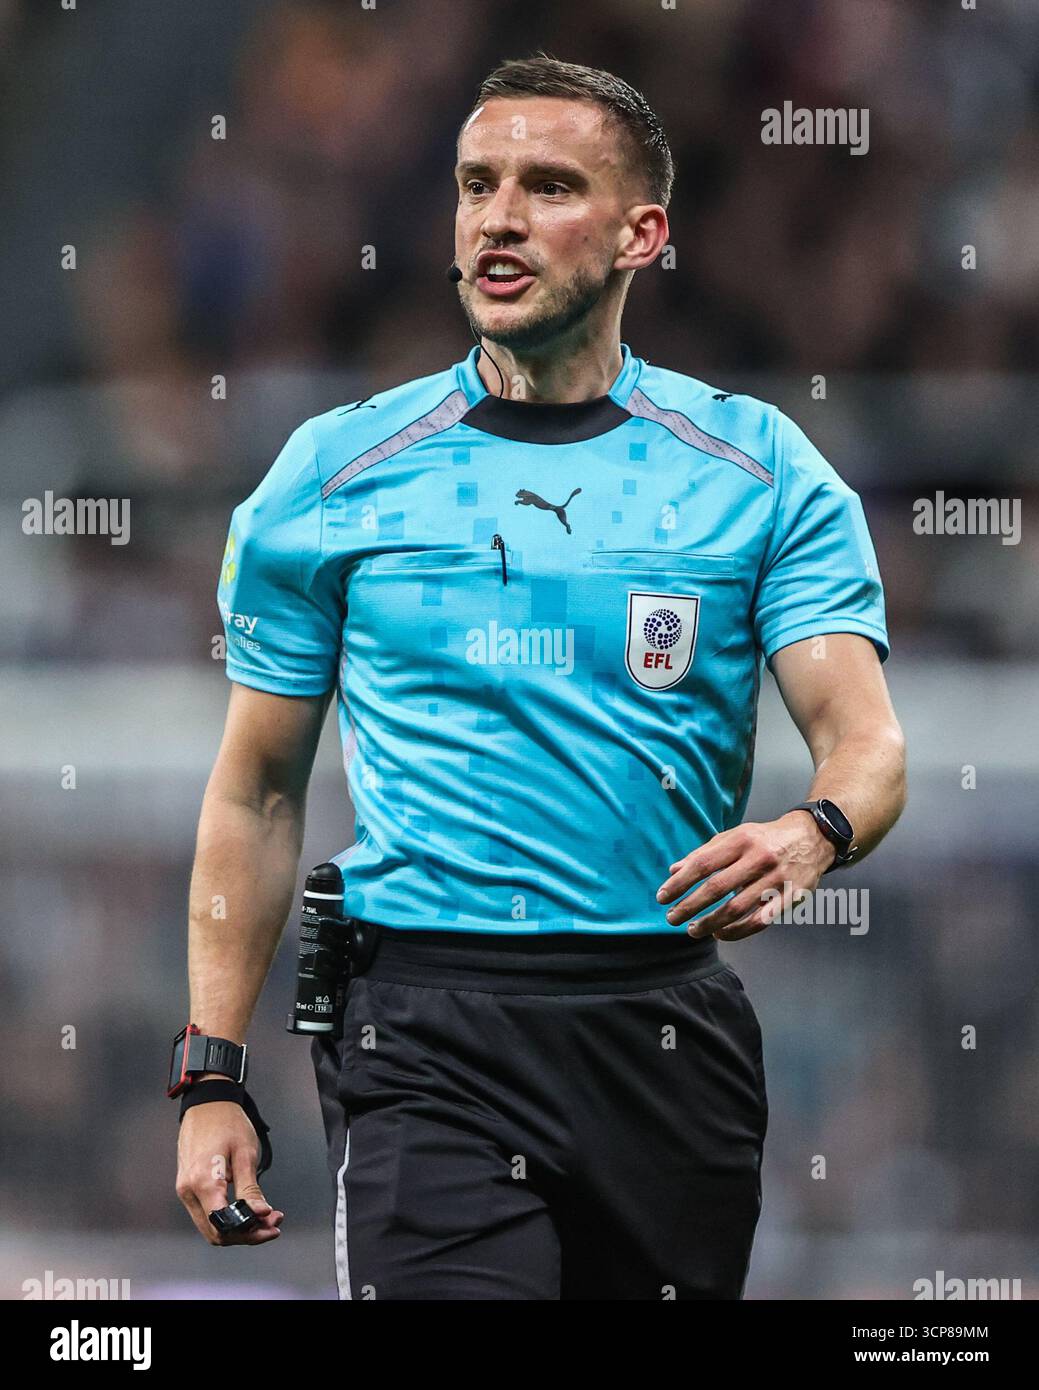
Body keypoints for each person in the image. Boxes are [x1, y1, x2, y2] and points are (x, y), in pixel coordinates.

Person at [173, 54, 906, 1300]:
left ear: (642, 233)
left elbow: (870, 745)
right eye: (475, 184)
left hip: (662, 1034)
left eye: (548, 185)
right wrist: (211, 1076)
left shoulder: (757, 469)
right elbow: (256, 790)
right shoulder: (331, 475)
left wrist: (809, 834)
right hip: (422, 1033)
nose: (498, 217)